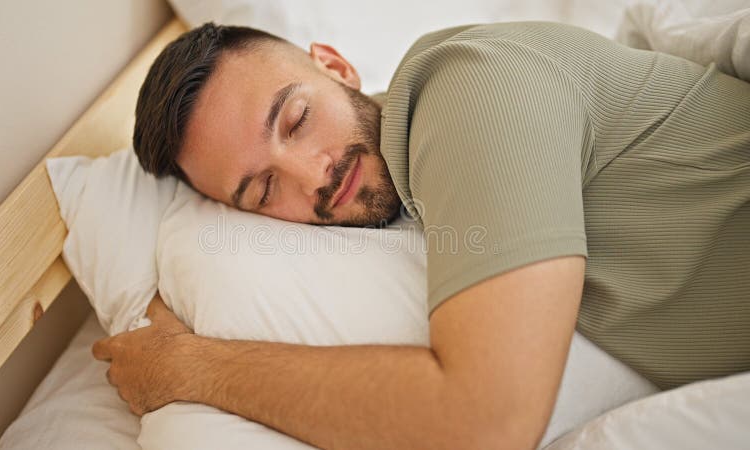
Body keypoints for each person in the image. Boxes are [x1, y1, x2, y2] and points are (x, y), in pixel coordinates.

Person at [92, 21, 750, 449]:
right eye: (263, 190)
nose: (311, 175)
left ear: (337, 66)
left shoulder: (468, 89)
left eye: (295, 120)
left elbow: (485, 421)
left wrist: (191, 369)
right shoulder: (417, 179)